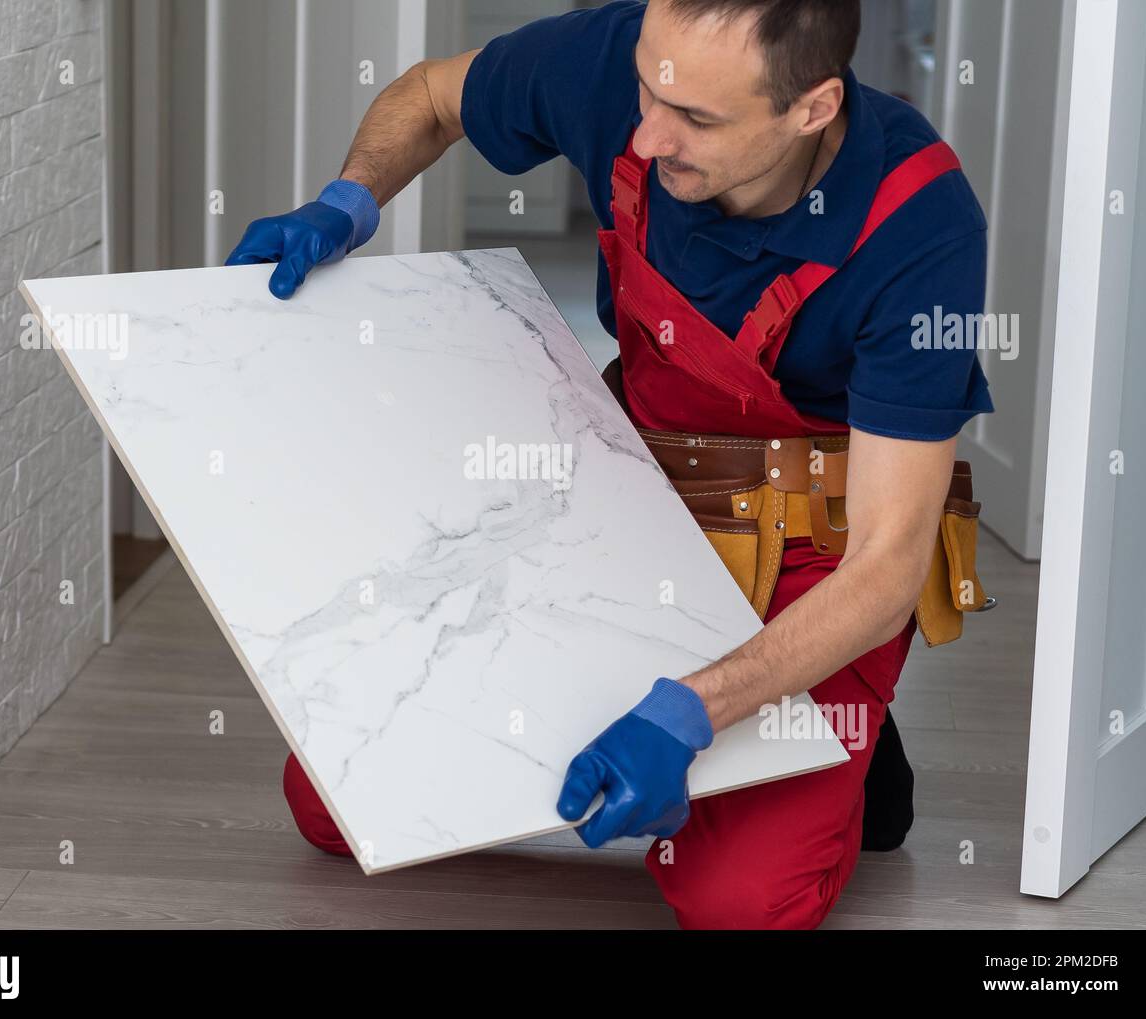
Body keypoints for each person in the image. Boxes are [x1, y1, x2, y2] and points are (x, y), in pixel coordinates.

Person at [226, 0, 993, 929]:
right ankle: (803, 719)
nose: (646, 131)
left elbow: (888, 562)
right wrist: (347, 201)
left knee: (739, 904)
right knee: (340, 804)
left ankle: (829, 727)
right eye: (645, 88)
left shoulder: (921, 224)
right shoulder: (637, 59)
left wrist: (694, 711)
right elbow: (429, 97)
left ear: (813, 108)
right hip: (631, 484)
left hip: (818, 546)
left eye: (698, 120)